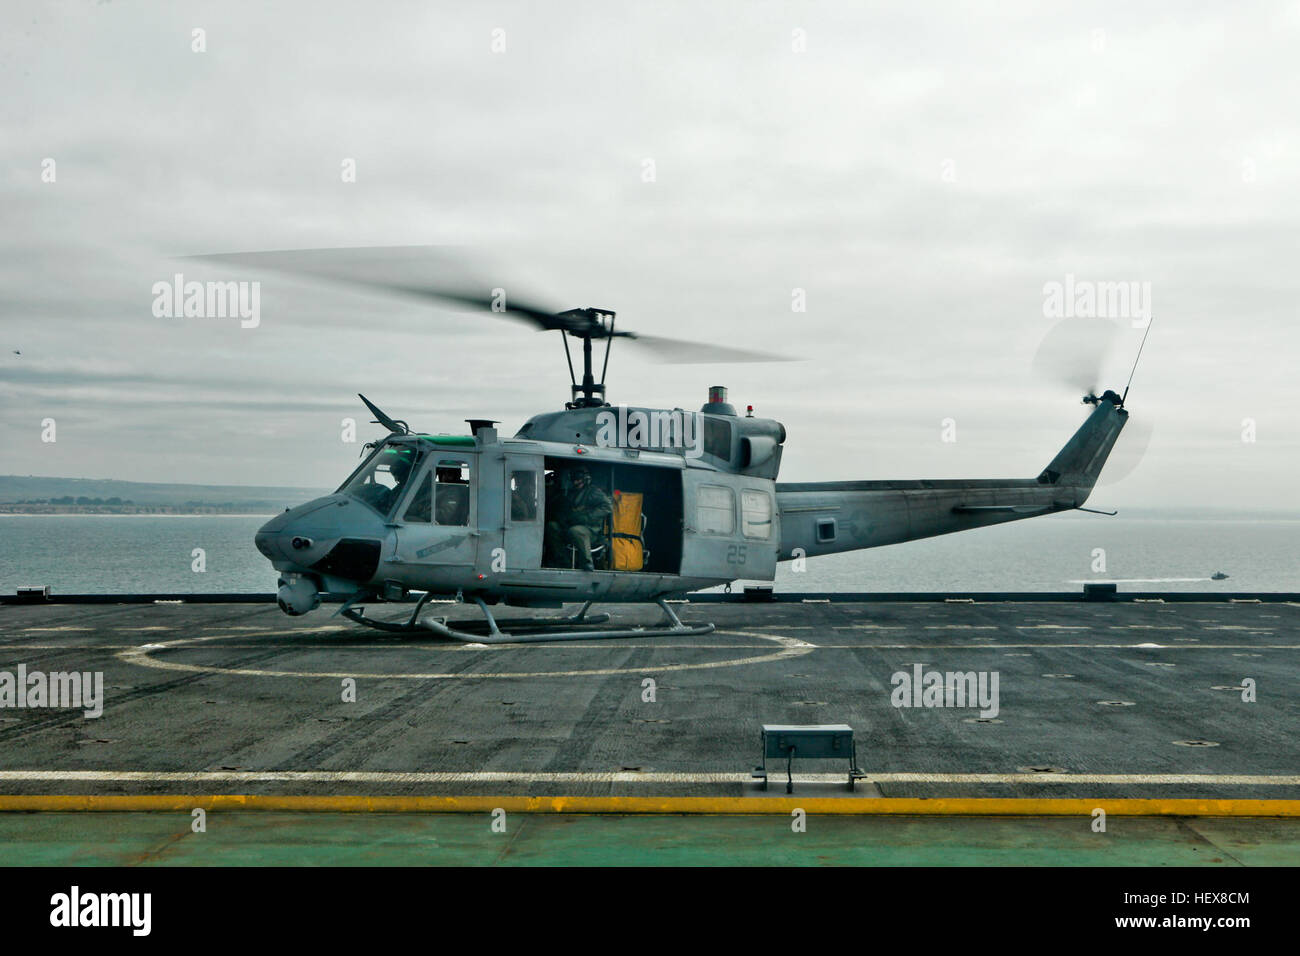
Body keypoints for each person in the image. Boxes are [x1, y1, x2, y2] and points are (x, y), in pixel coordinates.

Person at [545, 466, 611, 571]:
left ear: (585, 479)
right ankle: (563, 561)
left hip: (590, 530)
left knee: (576, 531)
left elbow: (607, 507)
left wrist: (586, 517)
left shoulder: (593, 492)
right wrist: (563, 520)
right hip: (571, 526)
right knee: (552, 526)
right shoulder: (571, 493)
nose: (576, 482)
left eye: (578, 479)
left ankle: (587, 562)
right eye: (574, 480)